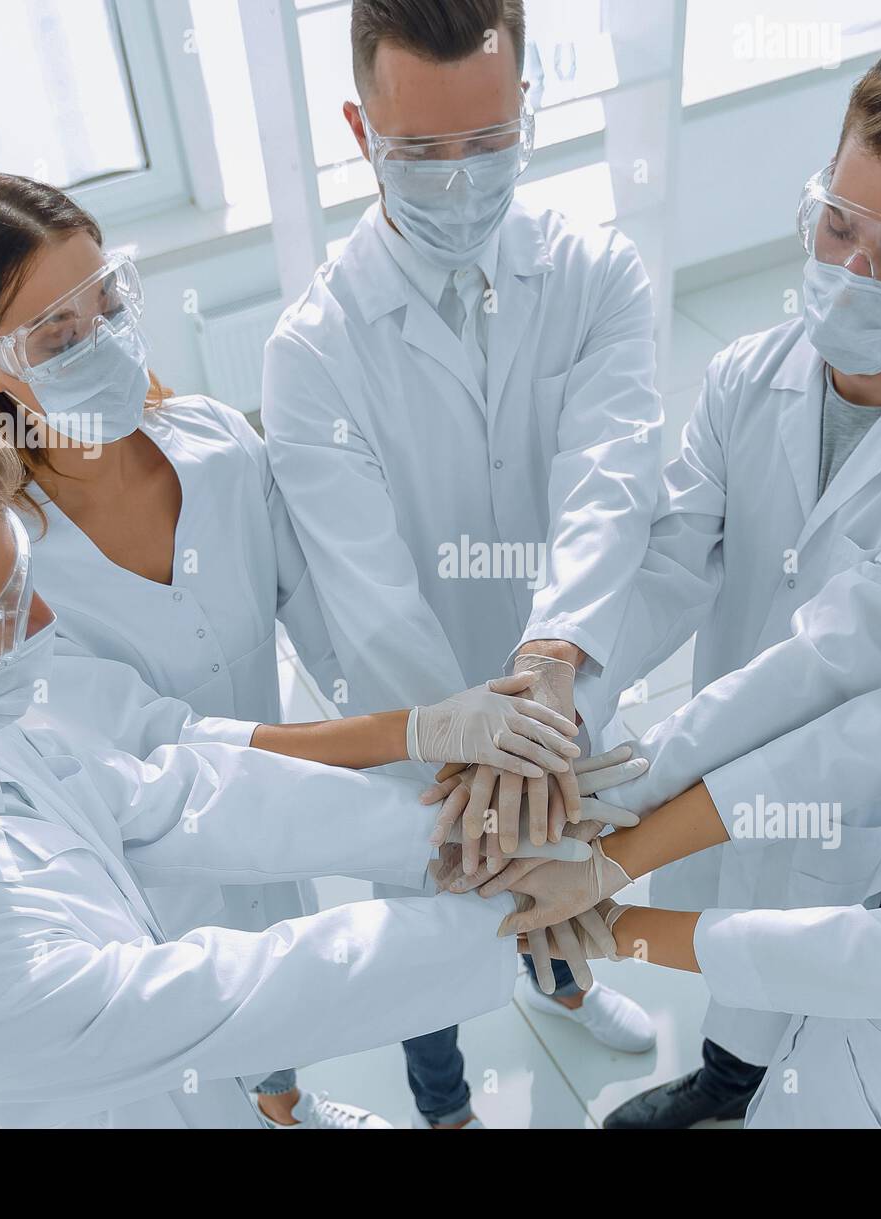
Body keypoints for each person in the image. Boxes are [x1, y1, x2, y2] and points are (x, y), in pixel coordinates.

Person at [463, 20, 881, 1128]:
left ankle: (755, 1090)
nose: (852, 275)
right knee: (737, 967)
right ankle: (722, 1078)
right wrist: (561, 696)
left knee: (824, 996)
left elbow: (849, 655)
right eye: (837, 226)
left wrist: (631, 785)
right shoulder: (753, 373)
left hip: (864, 792)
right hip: (726, 756)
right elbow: (665, 562)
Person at [0, 384, 641, 1129]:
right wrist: (513, 904)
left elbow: (177, 797)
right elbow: (258, 989)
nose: (45, 618)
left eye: (26, 578)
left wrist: (471, 834)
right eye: (2, 611)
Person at [262, 0, 663, 1127]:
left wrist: (547, 670)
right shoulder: (313, 349)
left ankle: (570, 982)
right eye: (421, 152)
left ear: (524, 105)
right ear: (359, 125)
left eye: (486, 144)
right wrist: (470, 744)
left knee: (562, 855)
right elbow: (367, 594)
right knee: (422, 910)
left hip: (562, 673)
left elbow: (610, 476)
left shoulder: (596, 272)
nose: (458, 180)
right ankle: (441, 1101)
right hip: (411, 712)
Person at [477, 557, 881, 1127]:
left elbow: (859, 960)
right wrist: (617, 856)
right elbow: (870, 739)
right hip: (832, 1024)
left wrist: (617, 927)